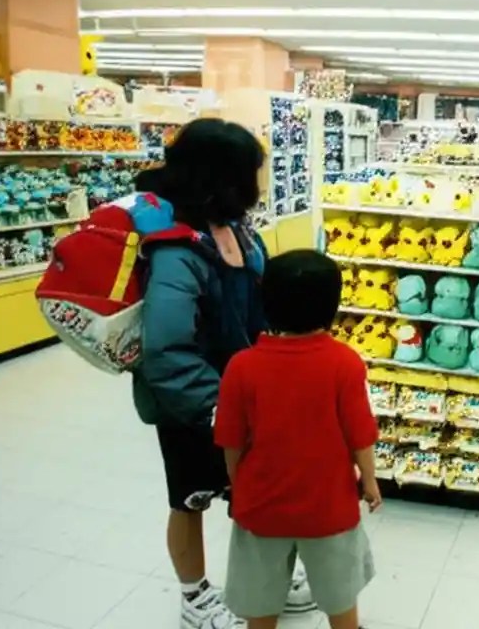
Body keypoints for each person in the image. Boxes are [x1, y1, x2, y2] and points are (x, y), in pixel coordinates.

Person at [131, 118, 313, 629]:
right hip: (192, 405)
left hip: (245, 392)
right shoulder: (175, 252)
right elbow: (166, 352)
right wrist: (219, 407)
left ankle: (260, 579)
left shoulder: (233, 228)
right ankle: (196, 598)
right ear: (221, 178)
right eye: (251, 177)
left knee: (251, 490)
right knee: (189, 497)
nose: (258, 189)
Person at [215, 250, 380, 629]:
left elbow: (230, 440)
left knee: (261, 604)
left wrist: (240, 487)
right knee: (341, 601)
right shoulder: (344, 363)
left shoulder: (242, 366)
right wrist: (369, 481)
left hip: (261, 507)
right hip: (329, 507)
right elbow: (360, 433)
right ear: (332, 307)